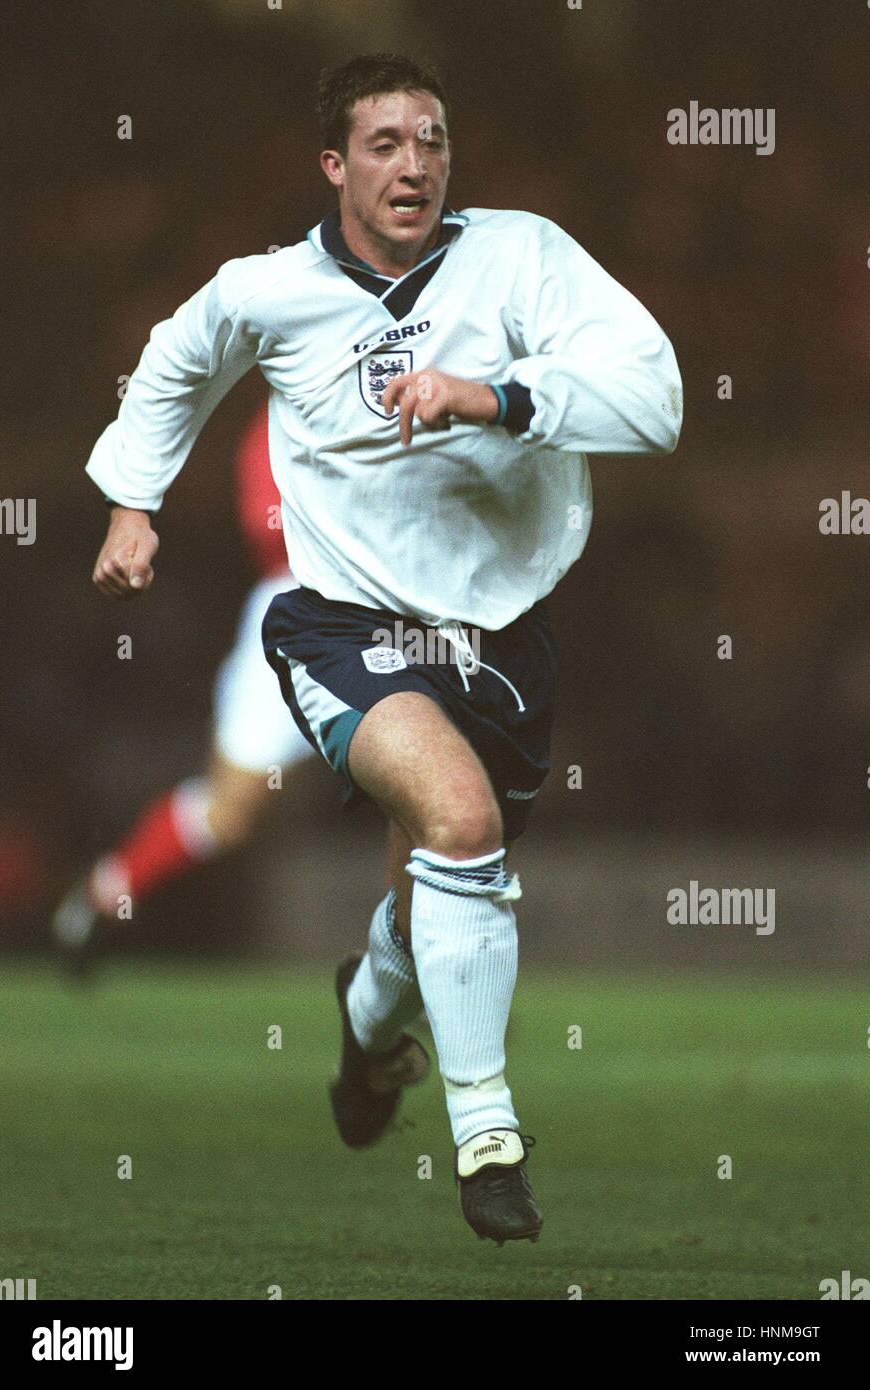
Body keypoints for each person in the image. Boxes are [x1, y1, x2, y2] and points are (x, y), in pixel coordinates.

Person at [82, 52, 682, 1244]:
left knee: (431, 887)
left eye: (433, 140)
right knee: (461, 823)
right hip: (343, 627)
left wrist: (495, 395)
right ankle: (488, 1135)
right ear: (335, 166)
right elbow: (176, 359)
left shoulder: (523, 257)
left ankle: (364, 1035)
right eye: (386, 143)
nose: (414, 162)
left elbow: (656, 399)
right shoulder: (268, 289)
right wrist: (132, 501)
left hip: (501, 640)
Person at [52, 403, 314, 967]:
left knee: (433, 801)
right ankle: (106, 891)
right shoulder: (280, 416)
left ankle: (422, 987)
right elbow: (267, 530)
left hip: (402, 615)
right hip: (303, 615)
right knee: (229, 810)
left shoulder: (412, 379)